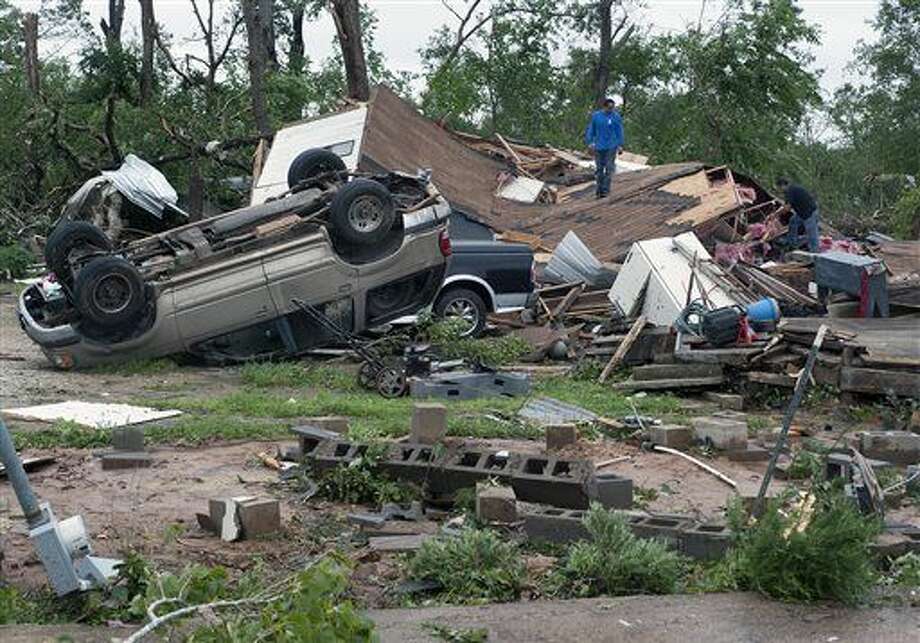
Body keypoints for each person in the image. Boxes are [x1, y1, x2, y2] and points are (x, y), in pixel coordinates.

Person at [584, 97, 624, 198]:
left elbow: (619, 131)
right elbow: (591, 129)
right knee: (599, 169)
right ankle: (599, 190)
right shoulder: (597, 116)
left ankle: (606, 190)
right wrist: (590, 142)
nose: (611, 110)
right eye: (609, 108)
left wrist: (620, 145)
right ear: (604, 107)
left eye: (612, 108)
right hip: (599, 146)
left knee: (609, 168)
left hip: (611, 145)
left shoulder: (616, 117)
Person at [776, 177, 820, 253]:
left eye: (779, 187)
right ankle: (792, 243)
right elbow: (785, 205)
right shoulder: (790, 191)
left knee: (811, 232)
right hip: (802, 213)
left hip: (809, 213)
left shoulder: (790, 191)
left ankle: (815, 252)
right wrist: (776, 213)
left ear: (783, 185)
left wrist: (777, 215)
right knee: (793, 221)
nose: (779, 190)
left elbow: (787, 208)